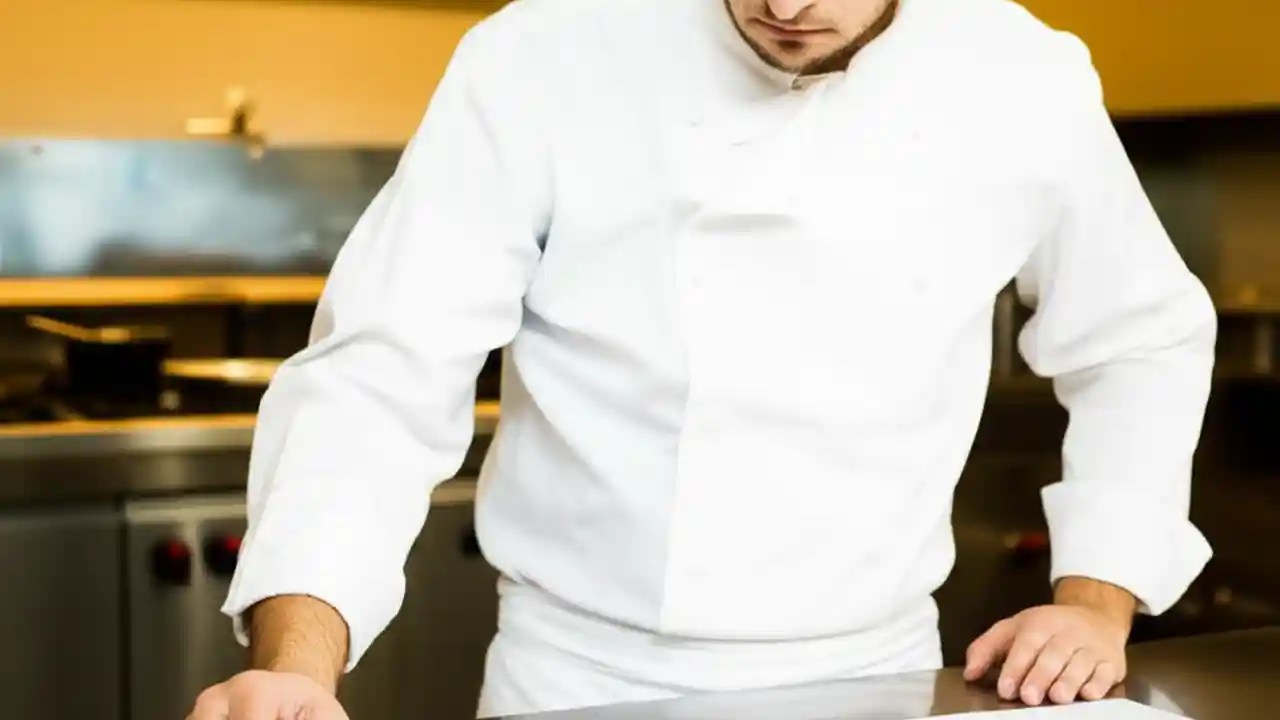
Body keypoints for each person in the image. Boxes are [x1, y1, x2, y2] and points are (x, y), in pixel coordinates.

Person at [188, 0, 1217, 717]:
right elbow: (382, 373)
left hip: (874, 675)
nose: (788, 4)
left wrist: (1096, 597)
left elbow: (1139, 334)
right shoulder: (541, 54)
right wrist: (300, 669)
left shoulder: (1019, 74)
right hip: (579, 680)